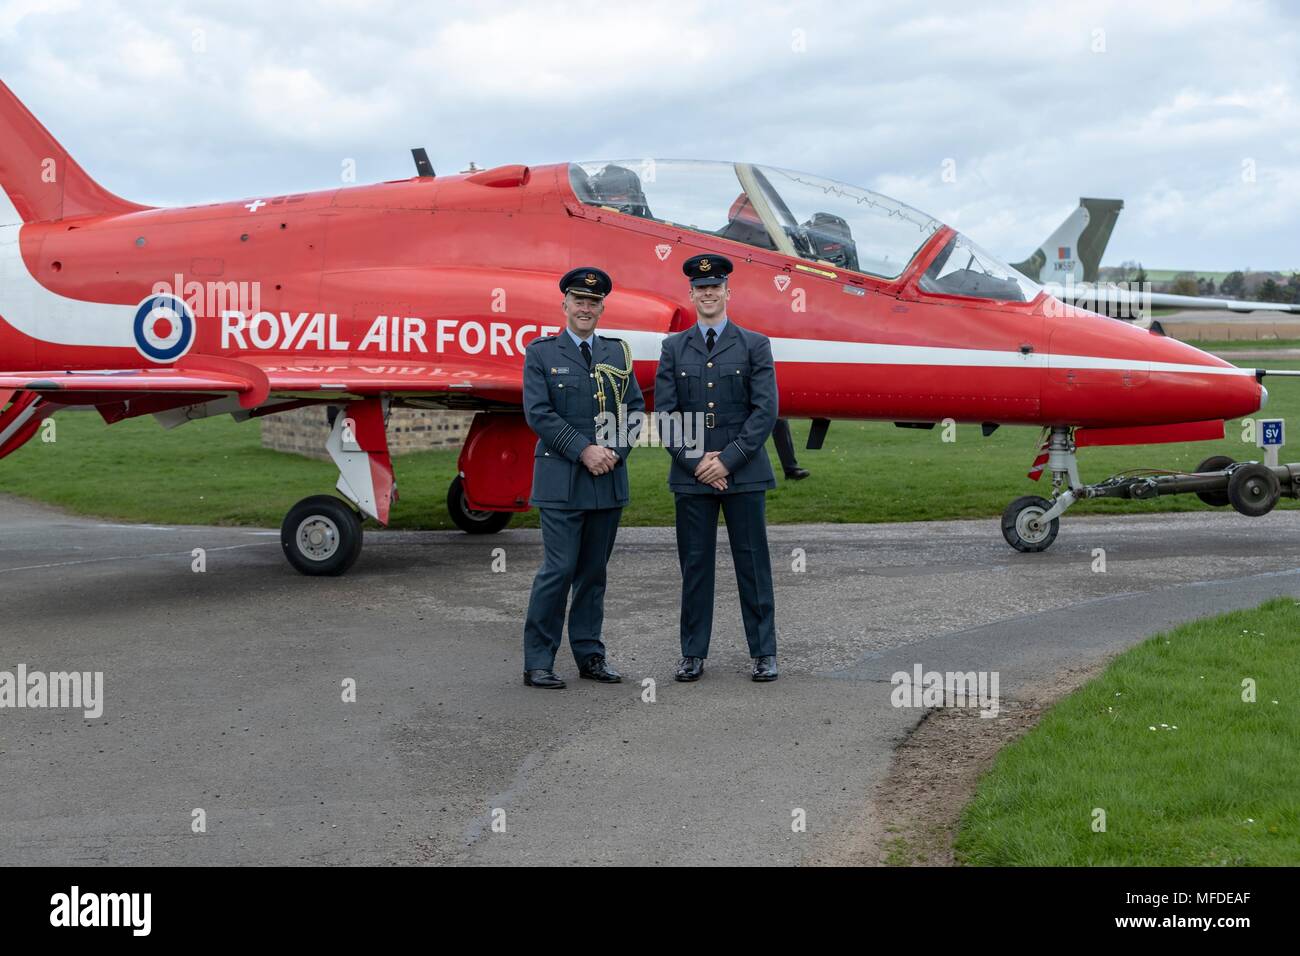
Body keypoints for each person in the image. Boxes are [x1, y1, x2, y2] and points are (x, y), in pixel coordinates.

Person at [654, 253, 780, 683]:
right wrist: (697, 463)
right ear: (690, 294)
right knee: (695, 565)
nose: (708, 295)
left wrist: (725, 461)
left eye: (715, 288)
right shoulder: (673, 348)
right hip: (691, 477)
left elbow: (764, 412)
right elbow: (666, 415)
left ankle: (763, 652)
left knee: (752, 563)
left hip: (743, 472)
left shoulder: (754, 344)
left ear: (728, 292)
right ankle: (692, 653)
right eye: (700, 289)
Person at [520, 267, 644, 689]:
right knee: (558, 570)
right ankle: (538, 661)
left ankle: (590, 656)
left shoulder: (617, 353)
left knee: (594, 573)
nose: (586, 307)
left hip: (606, 482)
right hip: (561, 482)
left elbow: (634, 412)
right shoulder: (541, 353)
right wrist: (583, 449)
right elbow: (539, 414)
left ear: (602, 307)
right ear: (565, 305)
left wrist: (613, 452)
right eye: (579, 301)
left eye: (593, 302)